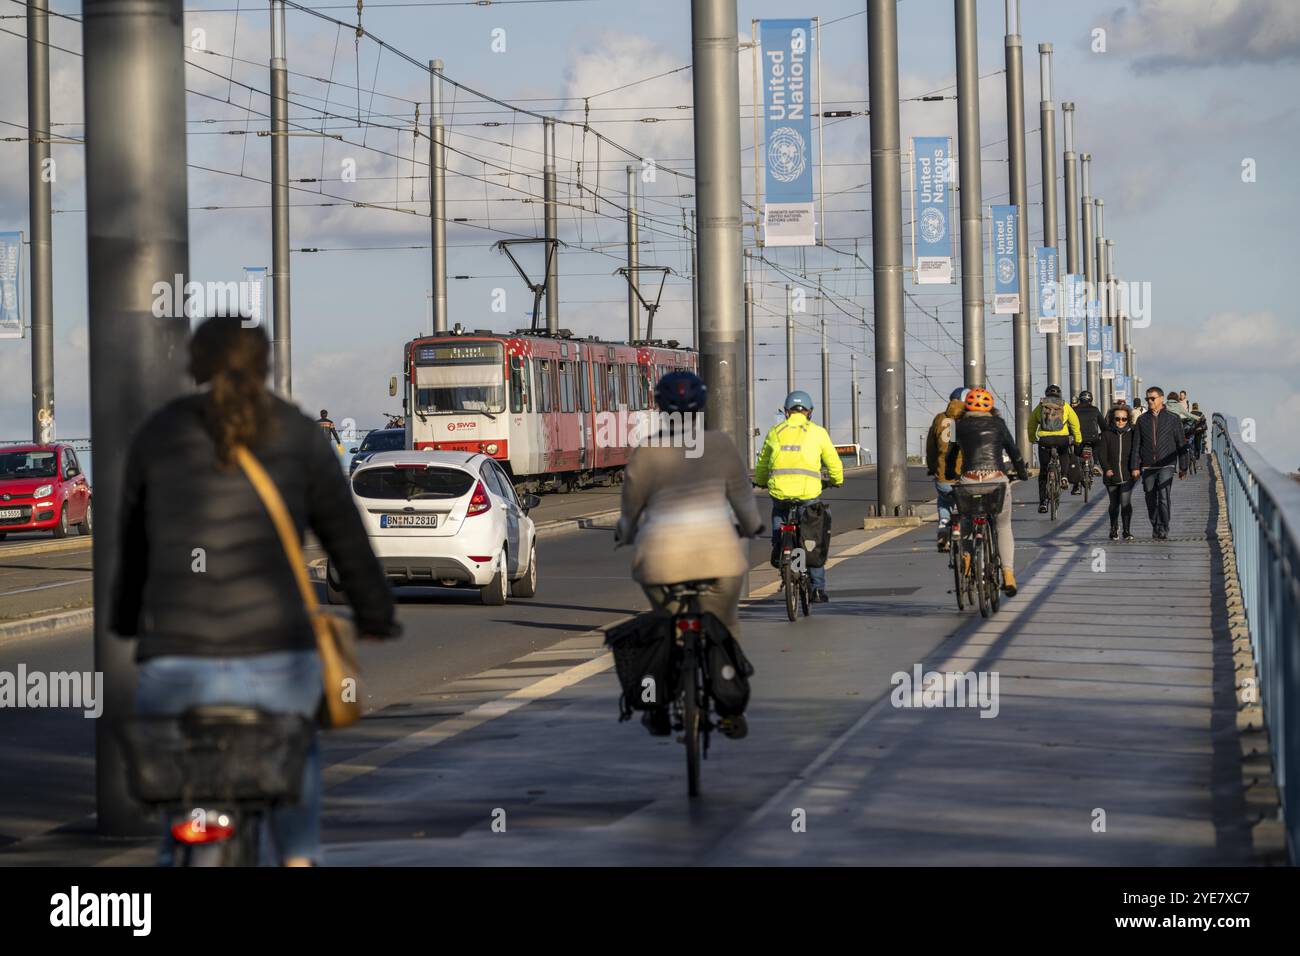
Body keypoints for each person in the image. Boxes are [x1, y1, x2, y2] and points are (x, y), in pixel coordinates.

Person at [110, 317, 400, 866]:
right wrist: (375, 612)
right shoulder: (295, 433)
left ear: (194, 364)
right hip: (277, 656)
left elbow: (133, 543)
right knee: (296, 747)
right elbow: (345, 535)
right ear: (265, 365)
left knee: (180, 808)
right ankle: (295, 856)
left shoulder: (159, 433)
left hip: (175, 660)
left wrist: (128, 620)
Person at [615, 371, 764, 739]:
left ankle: (660, 706)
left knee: (665, 627)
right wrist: (752, 525)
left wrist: (625, 533)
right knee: (724, 626)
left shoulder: (647, 451)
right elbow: (744, 501)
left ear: (661, 408)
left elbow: (630, 511)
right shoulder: (721, 445)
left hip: (660, 563)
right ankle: (729, 707)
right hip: (719, 560)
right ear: (702, 406)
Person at [754, 390, 844, 603]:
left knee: (780, 517)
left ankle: (780, 549)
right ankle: (817, 589)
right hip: (808, 494)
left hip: (780, 493)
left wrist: (761, 481)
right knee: (813, 537)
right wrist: (836, 480)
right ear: (809, 412)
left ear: (786, 412)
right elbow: (833, 462)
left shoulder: (775, 431)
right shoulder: (817, 432)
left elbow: (763, 463)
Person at [945, 388, 1029, 595]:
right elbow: (1014, 451)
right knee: (1003, 525)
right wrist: (1022, 473)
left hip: (969, 480)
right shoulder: (998, 424)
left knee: (966, 520)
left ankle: (966, 560)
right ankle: (1008, 574)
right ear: (991, 408)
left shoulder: (957, 425)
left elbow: (950, 455)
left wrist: (949, 473)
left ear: (967, 407)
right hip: (996, 480)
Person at [1129, 386, 1189, 540]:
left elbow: (1181, 443)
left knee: (1163, 495)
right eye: (1147, 399)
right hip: (1148, 465)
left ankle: (1164, 526)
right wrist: (1135, 466)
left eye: (1152, 398)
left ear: (1161, 399)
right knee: (1150, 496)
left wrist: (1183, 466)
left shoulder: (1172, 418)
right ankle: (1155, 524)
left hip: (1167, 464)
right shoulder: (1142, 420)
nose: (1149, 401)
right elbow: (1136, 445)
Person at [1028, 384, 1082, 513]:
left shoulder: (1041, 406)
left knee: (1043, 472)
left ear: (1046, 394)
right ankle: (1063, 476)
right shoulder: (1065, 406)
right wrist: (1078, 439)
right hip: (1061, 439)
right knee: (1064, 454)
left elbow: (1031, 423)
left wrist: (1032, 438)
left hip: (1044, 440)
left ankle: (1043, 502)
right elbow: (1075, 423)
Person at [925, 388, 966, 552]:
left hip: (943, 477)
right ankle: (962, 531)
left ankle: (944, 524)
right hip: (965, 478)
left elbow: (931, 448)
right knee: (968, 507)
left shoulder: (939, 418)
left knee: (944, 501)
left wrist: (933, 468)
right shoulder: (969, 419)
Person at [1097, 405, 1137, 540]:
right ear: (1112, 419)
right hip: (1111, 476)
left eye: (1124, 419)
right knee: (1114, 504)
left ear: (1128, 419)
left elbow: (1137, 453)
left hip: (1127, 475)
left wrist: (1136, 468)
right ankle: (1114, 527)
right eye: (1117, 419)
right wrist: (1107, 469)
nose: (1121, 422)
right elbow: (1102, 455)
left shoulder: (1132, 434)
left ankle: (1126, 530)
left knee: (1126, 502)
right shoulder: (1107, 434)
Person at [1071, 389, 1107, 494]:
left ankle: (1076, 485)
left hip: (1079, 439)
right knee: (1097, 445)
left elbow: (1070, 424)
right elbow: (1103, 425)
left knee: (1076, 456)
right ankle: (1095, 464)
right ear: (1090, 399)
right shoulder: (1095, 410)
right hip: (1093, 437)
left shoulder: (1074, 410)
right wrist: (1103, 433)